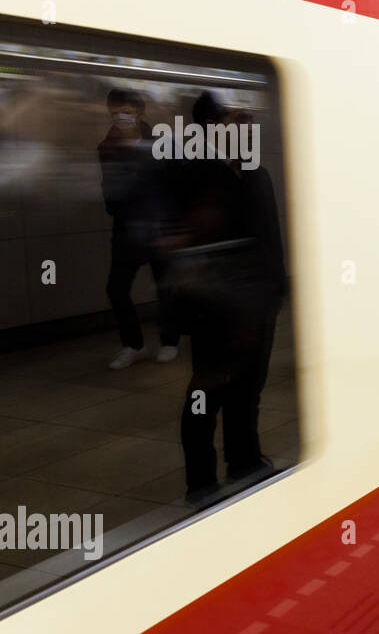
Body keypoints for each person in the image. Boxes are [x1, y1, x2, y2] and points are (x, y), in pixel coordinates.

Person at [171, 92, 286, 500]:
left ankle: (245, 461)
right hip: (216, 303)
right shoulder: (195, 174)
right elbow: (191, 243)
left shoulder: (252, 171)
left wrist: (276, 289)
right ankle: (200, 481)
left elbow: (269, 235)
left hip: (256, 299)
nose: (244, 131)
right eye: (233, 123)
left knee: (249, 385)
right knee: (207, 391)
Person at [99, 88, 180, 369]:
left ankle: (169, 341)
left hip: (158, 226)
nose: (120, 119)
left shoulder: (160, 144)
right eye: (114, 113)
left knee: (165, 286)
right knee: (116, 288)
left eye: (127, 113)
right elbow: (109, 189)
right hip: (126, 228)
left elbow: (172, 188)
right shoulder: (107, 147)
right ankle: (133, 344)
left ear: (140, 114)